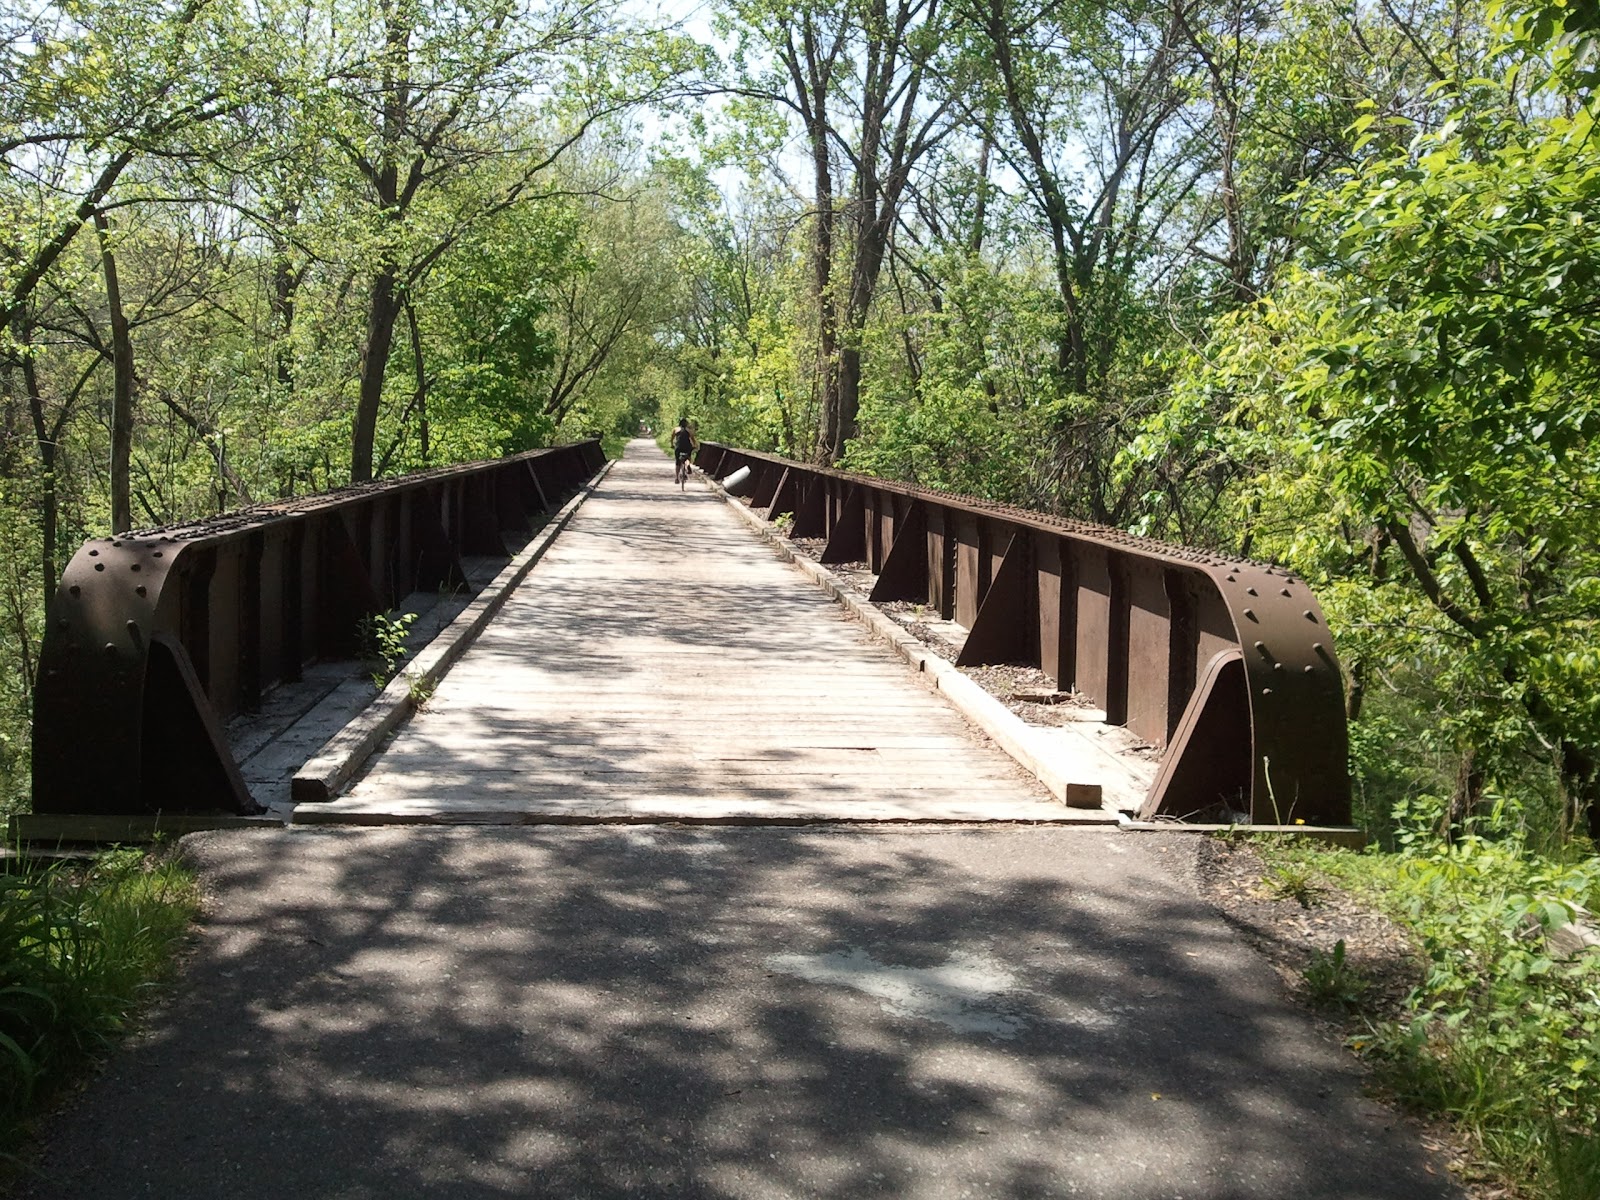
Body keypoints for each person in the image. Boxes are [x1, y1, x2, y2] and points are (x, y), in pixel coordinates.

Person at [672, 417, 696, 484]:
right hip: (687, 447)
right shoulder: (689, 430)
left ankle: (677, 478)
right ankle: (688, 465)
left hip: (678, 447)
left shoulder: (676, 429)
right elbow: (693, 439)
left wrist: (672, 444)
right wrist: (694, 445)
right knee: (688, 457)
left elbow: (672, 438)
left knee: (677, 462)